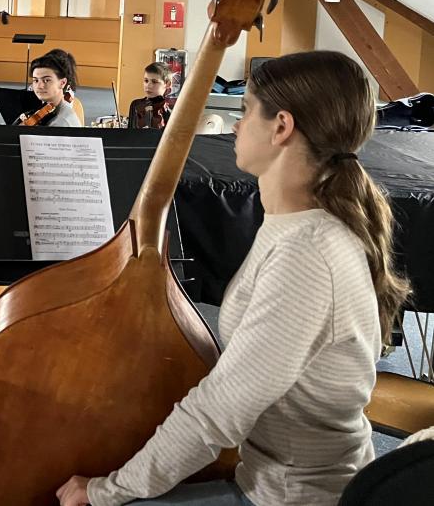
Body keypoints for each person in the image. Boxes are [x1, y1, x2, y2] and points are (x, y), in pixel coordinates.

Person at [56, 51, 411, 506]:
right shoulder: (296, 222)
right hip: (266, 473)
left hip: (289, 496)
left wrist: (106, 491)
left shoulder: (306, 255)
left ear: (281, 127)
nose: (237, 126)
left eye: (245, 110)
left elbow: (217, 414)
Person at [21, 49, 81, 127]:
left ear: (62, 83)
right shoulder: (49, 111)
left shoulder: (60, 123)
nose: (39, 86)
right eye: (36, 80)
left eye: (46, 80)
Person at [127, 62, 174, 129]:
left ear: (167, 84)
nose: (148, 85)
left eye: (154, 82)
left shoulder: (171, 110)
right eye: (146, 80)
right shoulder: (136, 105)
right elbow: (130, 134)